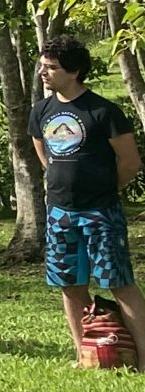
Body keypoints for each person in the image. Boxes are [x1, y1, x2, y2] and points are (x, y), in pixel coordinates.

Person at [32, 33, 145, 368]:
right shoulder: (41, 111)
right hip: (59, 212)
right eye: (42, 65)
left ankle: (143, 359)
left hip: (100, 212)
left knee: (119, 283)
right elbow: (45, 156)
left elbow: (130, 162)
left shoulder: (104, 111)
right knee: (70, 285)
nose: (43, 72)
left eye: (51, 67)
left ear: (74, 71)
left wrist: (104, 189)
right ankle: (85, 354)